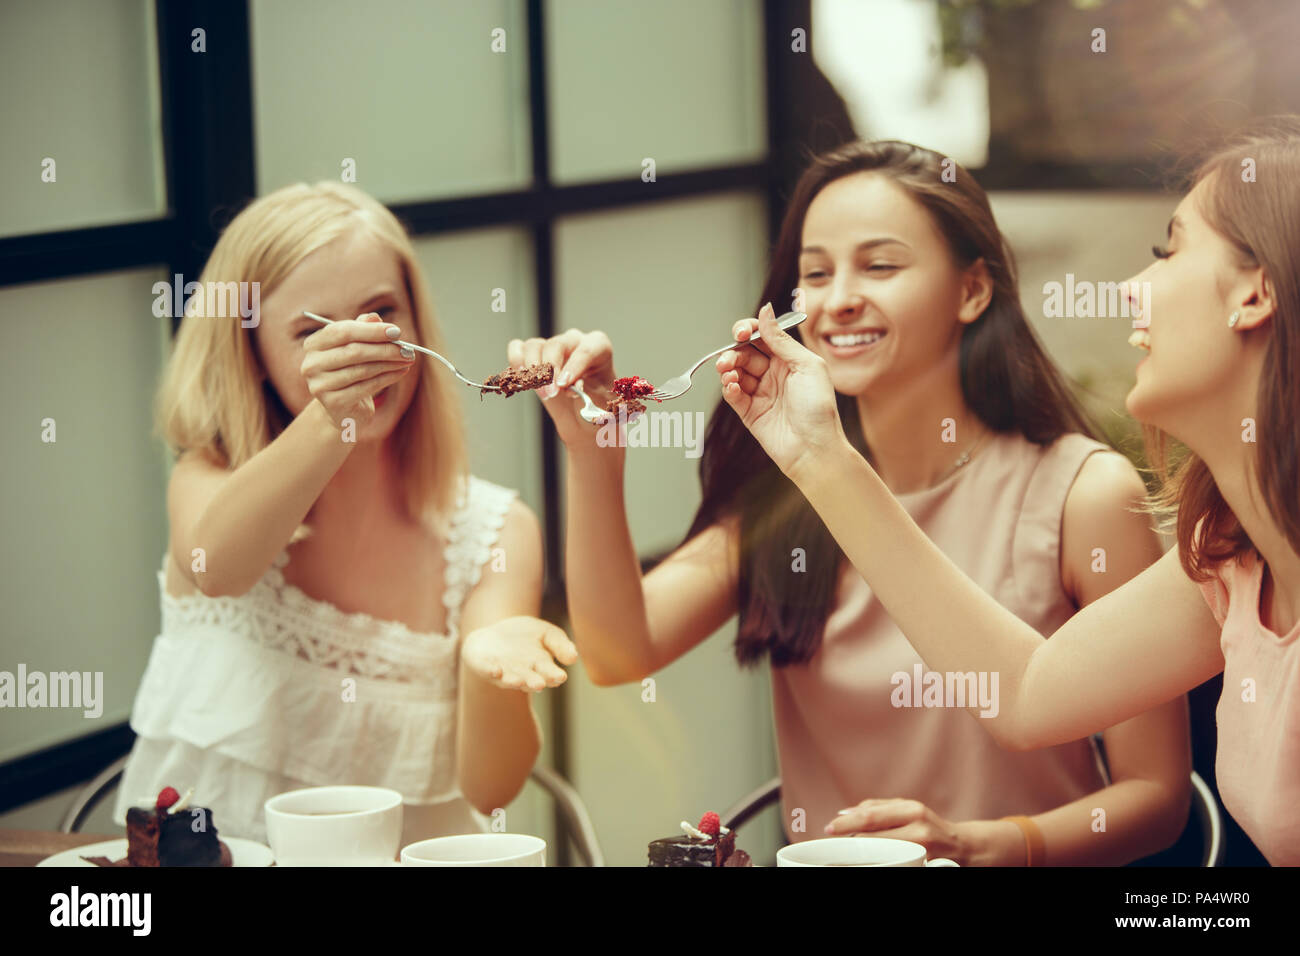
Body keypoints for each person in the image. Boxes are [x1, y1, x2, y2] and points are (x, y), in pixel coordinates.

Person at [515, 140, 1190, 865]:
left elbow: (1156, 796)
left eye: (881, 265)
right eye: (814, 274)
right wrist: (594, 449)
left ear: (972, 289)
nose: (837, 300)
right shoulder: (791, 492)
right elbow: (620, 652)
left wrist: (983, 846)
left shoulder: (1081, 496)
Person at [718, 121, 1300, 866]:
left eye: (1171, 251)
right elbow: (1026, 694)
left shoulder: (1087, 493)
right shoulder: (1228, 563)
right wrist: (819, 456)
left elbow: (1152, 797)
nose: (1131, 288)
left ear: (1256, 294)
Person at [113, 182, 576, 847]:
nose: (360, 348)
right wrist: (332, 417)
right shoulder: (207, 476)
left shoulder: (496, 531)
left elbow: (491, 789)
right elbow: (216, 568)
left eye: (382, 312)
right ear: (255, 357)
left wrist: (484, 669)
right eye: (311, 333)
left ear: (415, 326)